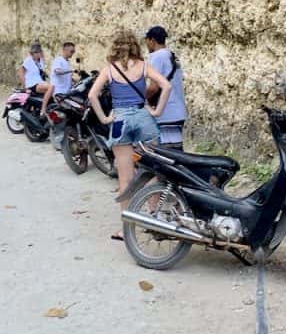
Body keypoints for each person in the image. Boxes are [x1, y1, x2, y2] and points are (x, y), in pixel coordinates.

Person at [88, 28, 171, 240]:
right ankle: (155, 218)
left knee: (125, 177)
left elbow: (92, 95)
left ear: (115, 47)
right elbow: (166, 85)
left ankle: (127, 228)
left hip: (120, 121)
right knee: (152, 170)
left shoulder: (109, 69)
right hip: (144, 118)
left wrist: (104, 118)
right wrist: (157, 111)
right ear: (134, 45)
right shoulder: (143, 66)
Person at [144, 26, 188, 150]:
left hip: (166, 111)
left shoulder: (157, 56)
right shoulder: (172, 55)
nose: (146, 45)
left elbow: (154, 87)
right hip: (178, 110)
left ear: (152, 40)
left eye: (146, 41)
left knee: (166, 152)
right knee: (177, 151)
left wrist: (140, 98)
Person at [49, 41, 76, 150]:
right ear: (65, 50)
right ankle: (57, 139)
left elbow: (68, 77)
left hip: (67, 93)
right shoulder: (58, 60)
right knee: (62, 116)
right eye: (71, 51)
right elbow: (58, 71)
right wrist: (70, 70)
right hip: (59, 93)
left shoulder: (67, 62)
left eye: (74, 51)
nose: (73, 53)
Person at [18, 42, 53, 115]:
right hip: (32, 84)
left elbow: (40, 71)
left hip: (39, 82)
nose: (37, 54)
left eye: (39, 52)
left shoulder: (40, 61)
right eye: (35, 52)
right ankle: (43, 109)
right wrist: (25, 87)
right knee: (51, 87)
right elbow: (21, 73)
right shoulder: (28, 61)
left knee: (54, 89)